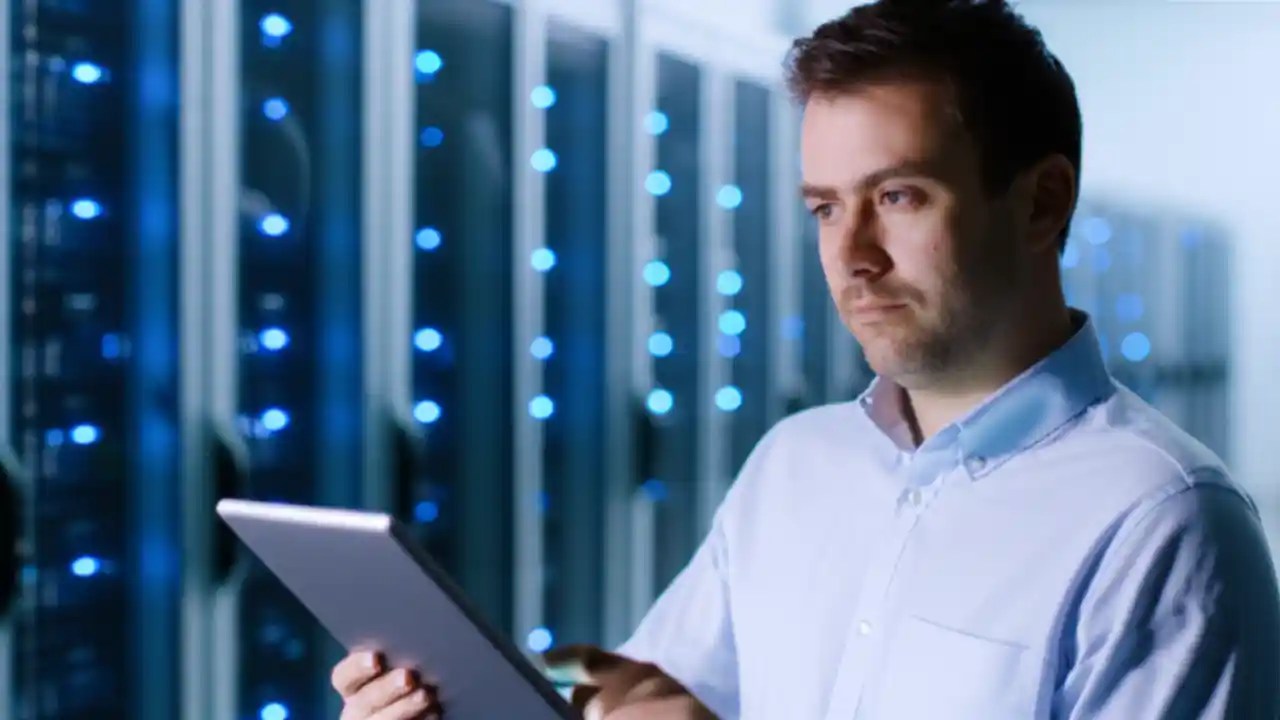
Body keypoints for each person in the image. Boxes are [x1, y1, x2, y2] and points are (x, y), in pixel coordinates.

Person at [330, 0, 1280, 717]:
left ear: (1040, 203)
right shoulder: (797, 464)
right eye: (825, 207)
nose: (852, 255)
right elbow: (646, 691)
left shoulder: (1163, 521)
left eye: (899, 196)